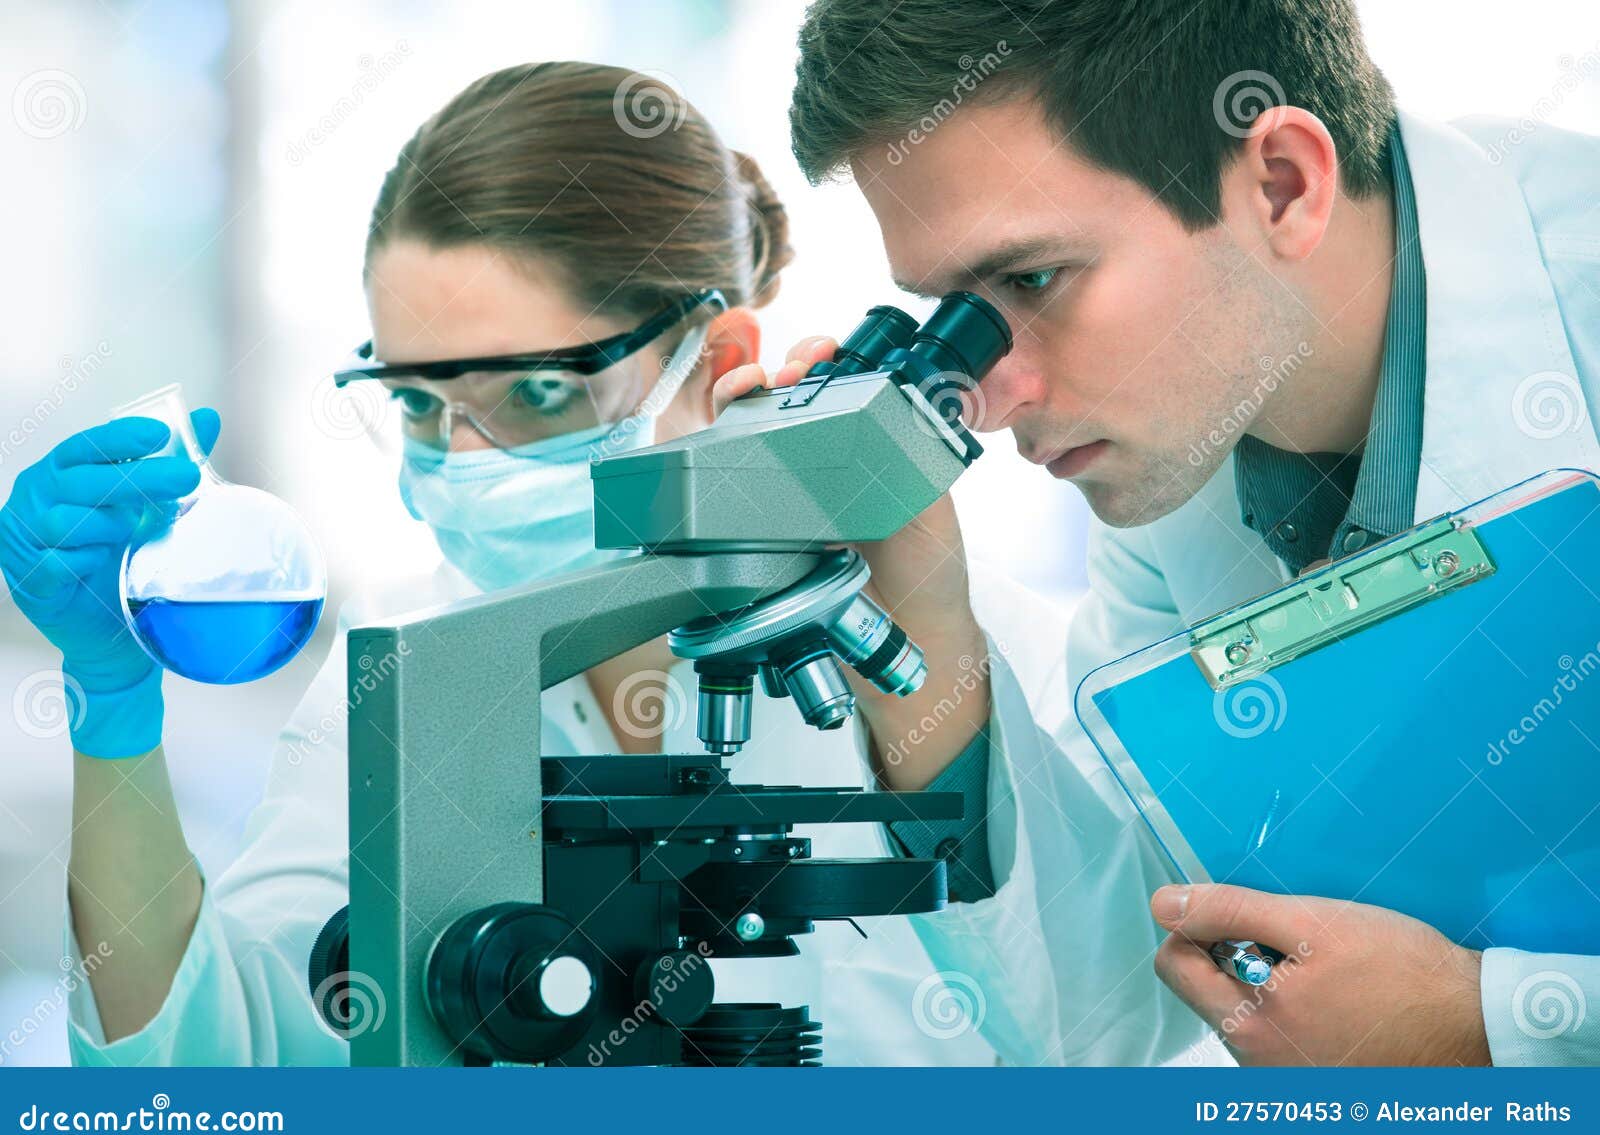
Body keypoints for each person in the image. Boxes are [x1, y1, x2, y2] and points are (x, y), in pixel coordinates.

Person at [0, 62, 1171, 1066]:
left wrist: (926, 645)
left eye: (538, 393)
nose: (464, 457)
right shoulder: (408, 670)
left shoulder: (963, 638)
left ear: (716, 357)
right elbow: (218, 1061)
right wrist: (114, 710)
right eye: (418, 402)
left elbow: (1094, 1036)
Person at [762, 0, 1600, 1065]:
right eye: (949, 316)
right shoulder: (1186, 460)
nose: (992, 392)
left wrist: (1493, 1019)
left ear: (1281, 184)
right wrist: (915, 614)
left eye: (1029, 280)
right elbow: (1114, 992)